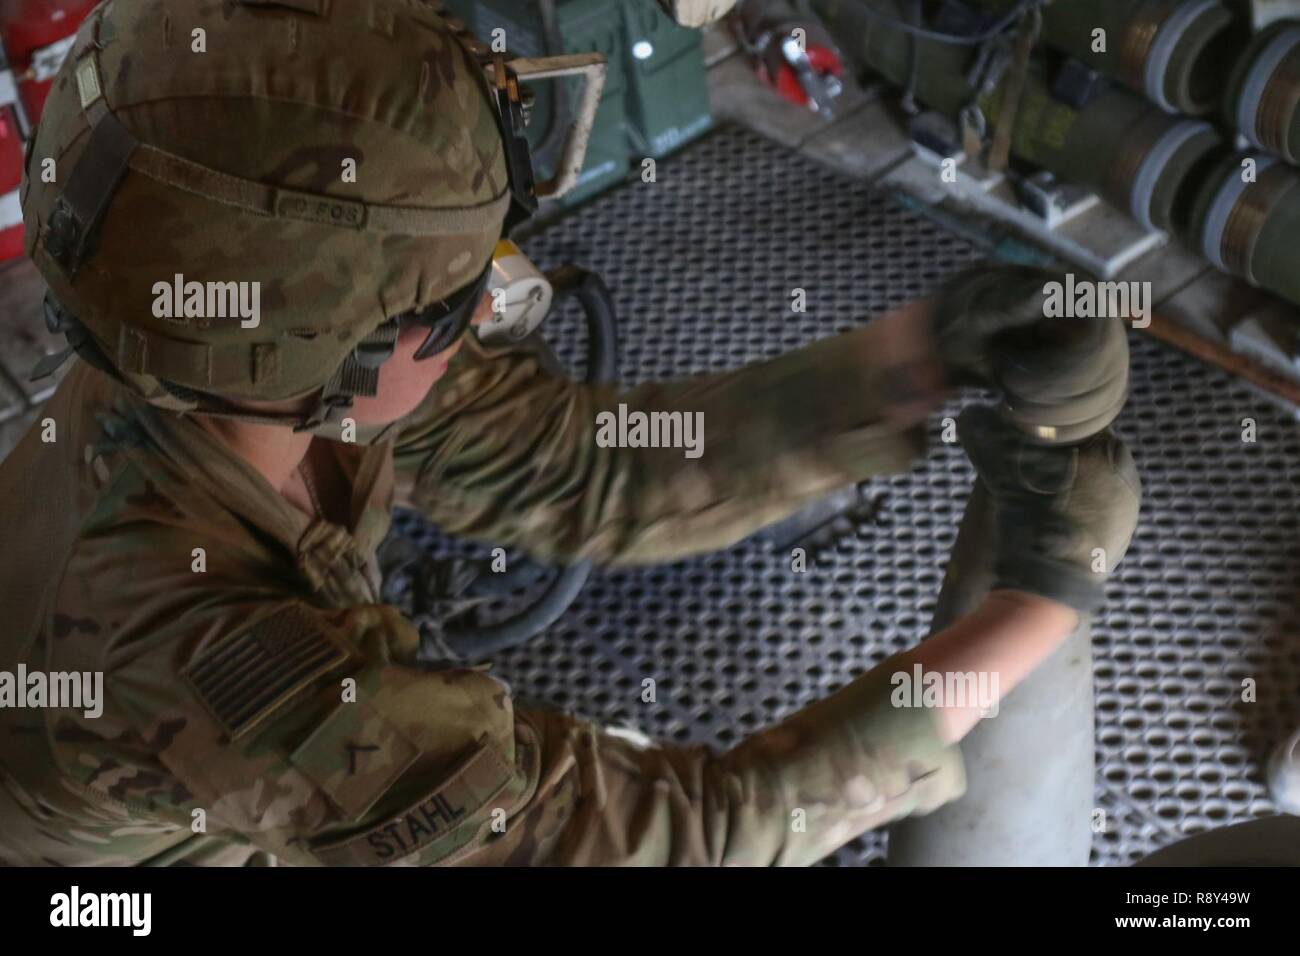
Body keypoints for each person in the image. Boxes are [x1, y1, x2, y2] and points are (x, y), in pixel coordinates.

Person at [0, 0, 1138, 866]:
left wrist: (923, 360)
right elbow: (681, 838)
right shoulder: (208, 667)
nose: (485, 314)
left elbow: (581, 469)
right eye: (460, 297)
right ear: (353, 343)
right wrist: (1042, 597)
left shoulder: (219, 355)